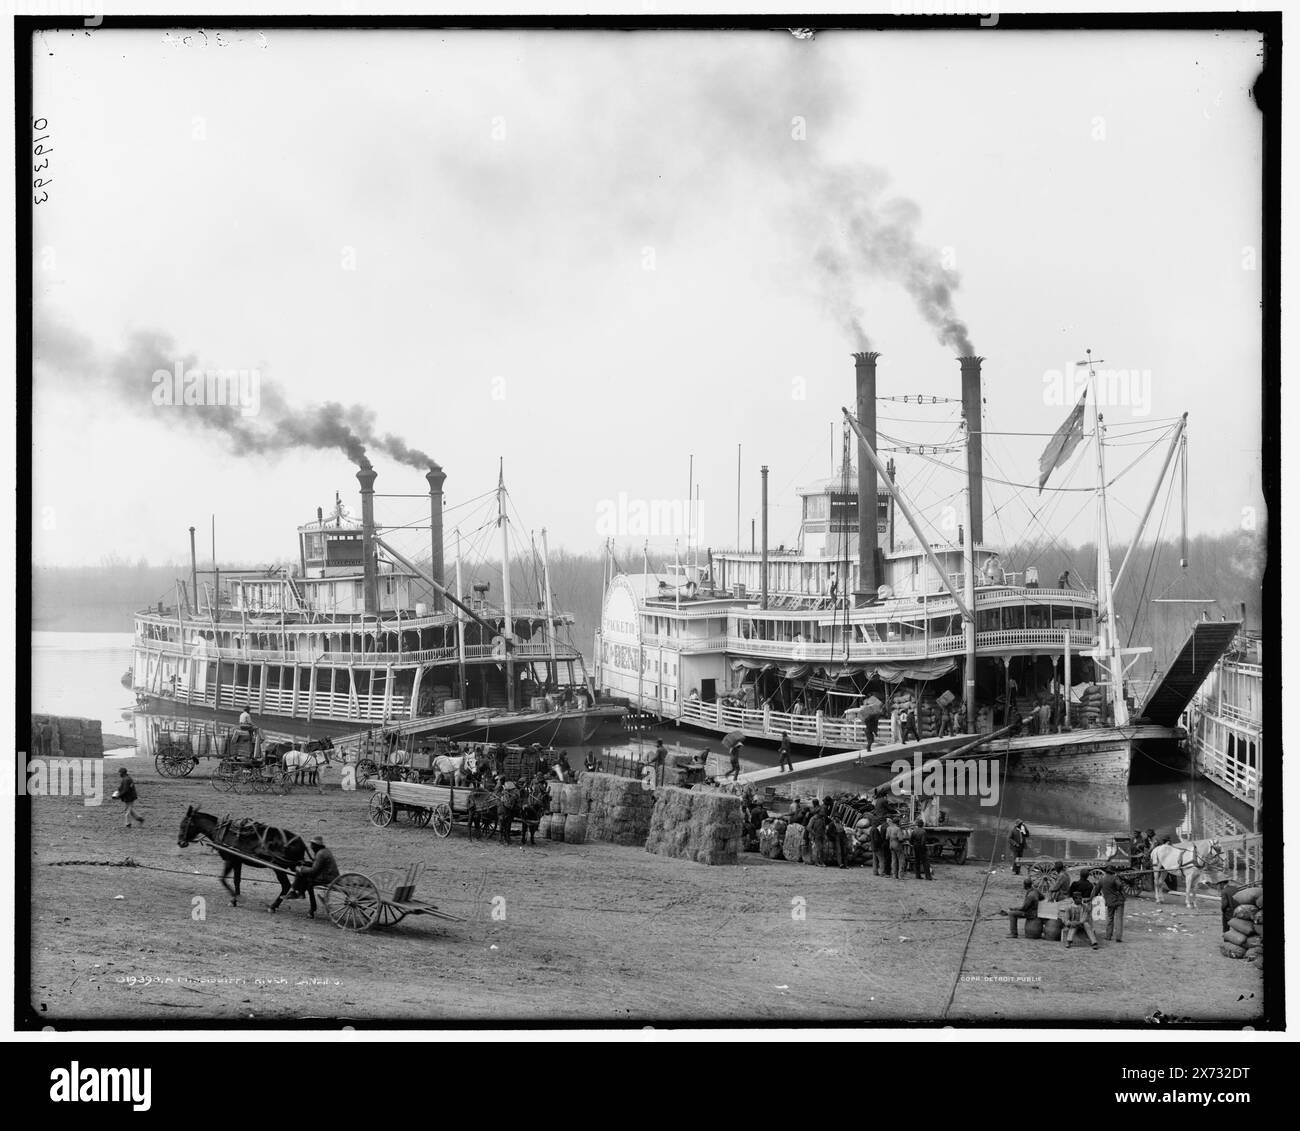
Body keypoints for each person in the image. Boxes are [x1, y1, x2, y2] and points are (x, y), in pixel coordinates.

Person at [280, 835, 340, 918]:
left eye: (312, 845)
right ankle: (302, 895)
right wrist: (307, 864)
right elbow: (318, 865)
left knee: (303, 875)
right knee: (305, 875)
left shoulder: (320, 854)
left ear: (316, 846)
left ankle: (295, 892)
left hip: (326, 878)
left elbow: (313, 871)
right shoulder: (325, 851)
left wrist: (301, 869)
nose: (311, 847)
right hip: (330, 875)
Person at [1091, 866, 1127, 942]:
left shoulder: (1102, 880)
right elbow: (1120, 885)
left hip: (1110, 902)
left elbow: (1096, 891)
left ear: (1106, 872)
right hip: (1119, 900)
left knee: (1110, 919)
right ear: (1113, 872)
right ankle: (1118, 937)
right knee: (1119, 919)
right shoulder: (1115, 878)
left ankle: (1108, 936)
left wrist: (1091, 898)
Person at [807, 801, 827, 867]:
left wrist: (824, 835)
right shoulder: (813, 819)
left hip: (821, 835)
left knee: (822, 849)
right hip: (815, 836)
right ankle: (817, 862)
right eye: (822, 811)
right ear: (819, 812)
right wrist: (814, 834)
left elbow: (824, 828)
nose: (823, 812)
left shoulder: (822, 819)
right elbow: (808, 828)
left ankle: (821, 862)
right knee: (817, 849)